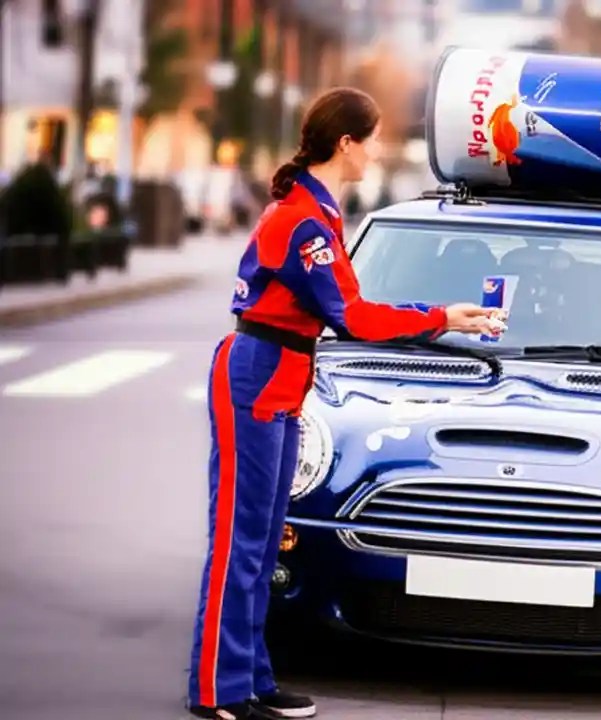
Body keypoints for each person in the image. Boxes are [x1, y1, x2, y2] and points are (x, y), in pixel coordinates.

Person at [185, 87, 500, 720]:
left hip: (281, 376)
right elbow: (351, 315)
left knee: (265, 539)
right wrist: (444, 318)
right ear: (346, 143)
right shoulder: (303, 220)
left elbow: (348, 308)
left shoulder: (318, 213)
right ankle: (218, 690)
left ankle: (251, 678)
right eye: (372, 138)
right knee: (239, 542)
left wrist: (441, 317)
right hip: (257, 374)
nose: (376, 150)